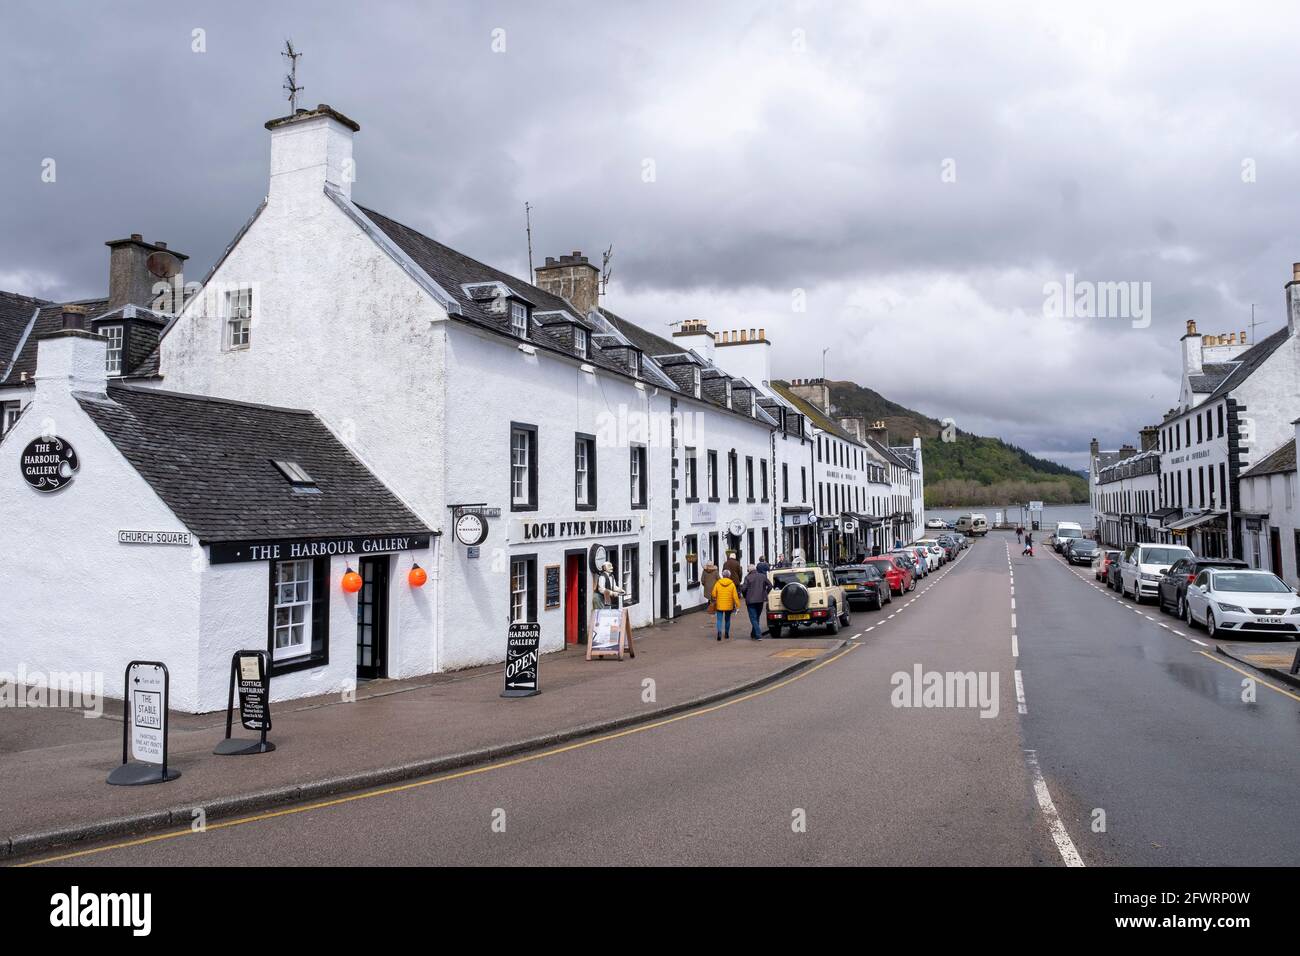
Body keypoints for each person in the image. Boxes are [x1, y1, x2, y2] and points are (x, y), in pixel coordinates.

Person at [740, 563, 772, 640]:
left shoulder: (747, 577)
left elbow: (744, 589)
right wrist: (765, 593)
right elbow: (770, 585)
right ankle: (753, 633)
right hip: (760, 600)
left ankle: (758, 635)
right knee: (756, 617)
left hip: (750, 601)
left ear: (749, 570)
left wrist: (745, 596)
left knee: (753, 618)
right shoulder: (762, 576)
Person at [712, 569, 739, 641]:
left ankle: (719, 632)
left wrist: (715, 598)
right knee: (727, 620)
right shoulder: (732, 584)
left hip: (719, 605)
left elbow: (713, 593)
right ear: (729, 576)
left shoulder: (718, 583)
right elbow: (735, 596)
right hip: (729, 605)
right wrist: (737, 605)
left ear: (723, 575)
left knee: (719, 620)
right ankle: (726, 633)